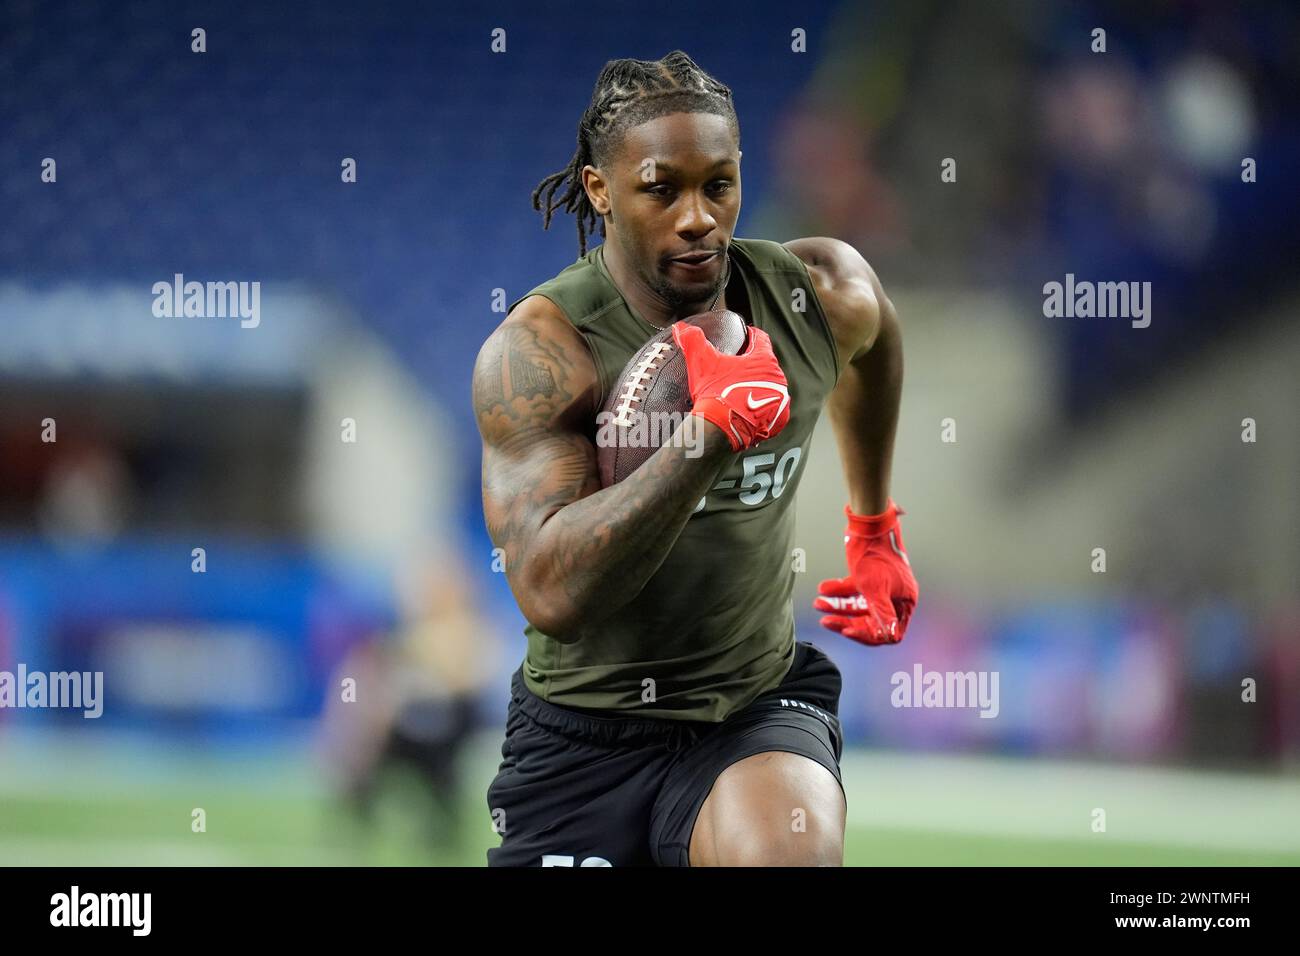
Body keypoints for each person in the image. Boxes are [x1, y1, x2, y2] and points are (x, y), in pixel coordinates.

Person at [471, 51, 918, 867]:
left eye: (718, 185)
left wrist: (875, 526)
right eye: (661, 188)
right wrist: (707, 436)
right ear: (601, 190)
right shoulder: (540, 354)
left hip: (751, 709)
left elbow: (878, 337)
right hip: (579, 736)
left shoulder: (815, 297)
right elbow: (547, 589)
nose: (698, 218)